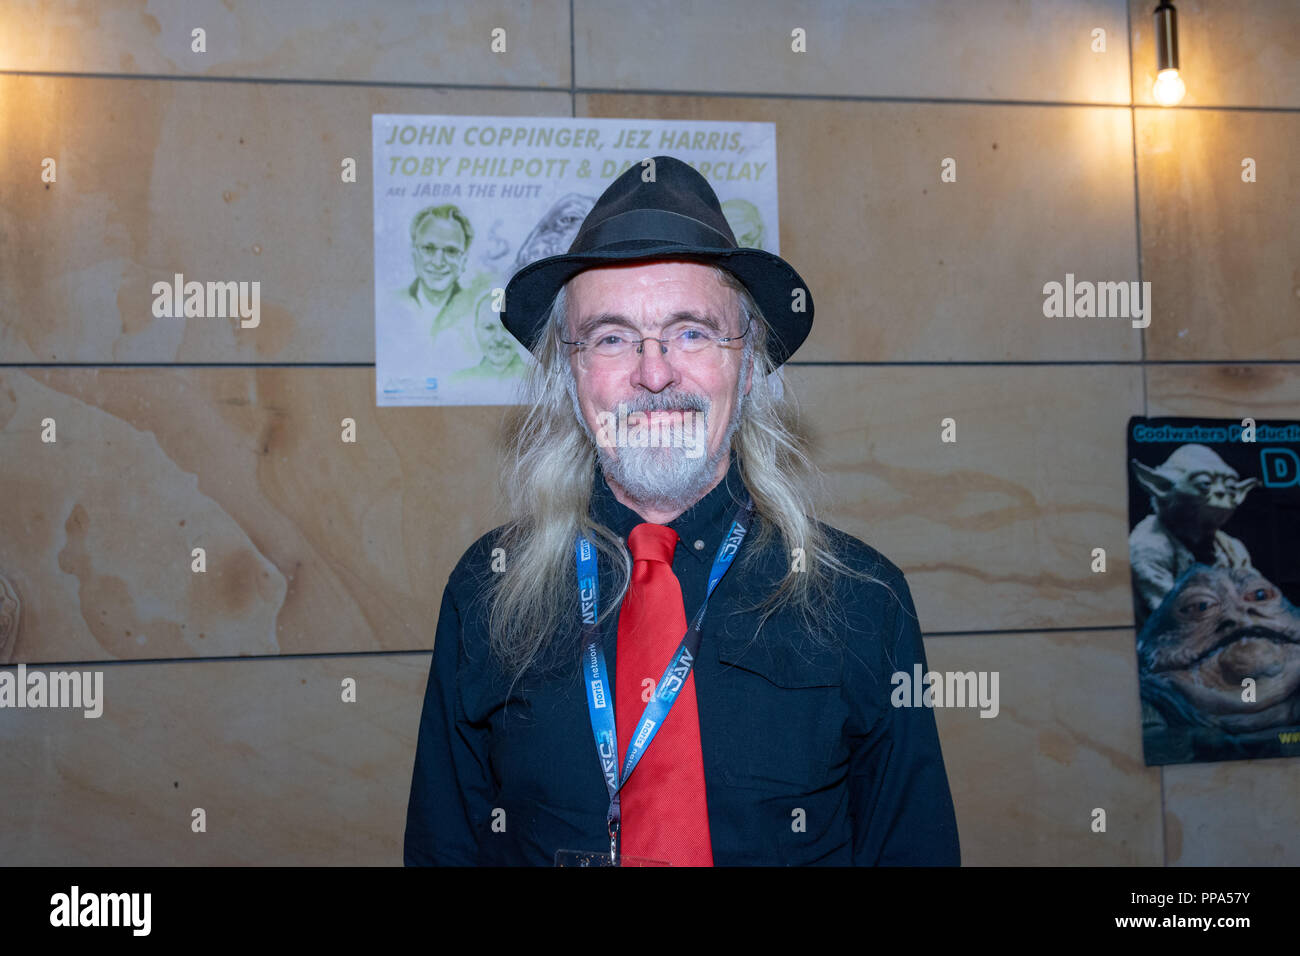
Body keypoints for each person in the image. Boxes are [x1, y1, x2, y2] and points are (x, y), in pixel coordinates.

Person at [404, 156, 960, 866]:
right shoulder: (488, 591)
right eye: (610, 337)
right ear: (571, 376)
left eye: (692, 331)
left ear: (750, 362)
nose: (655, 372)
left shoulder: (862, 600)